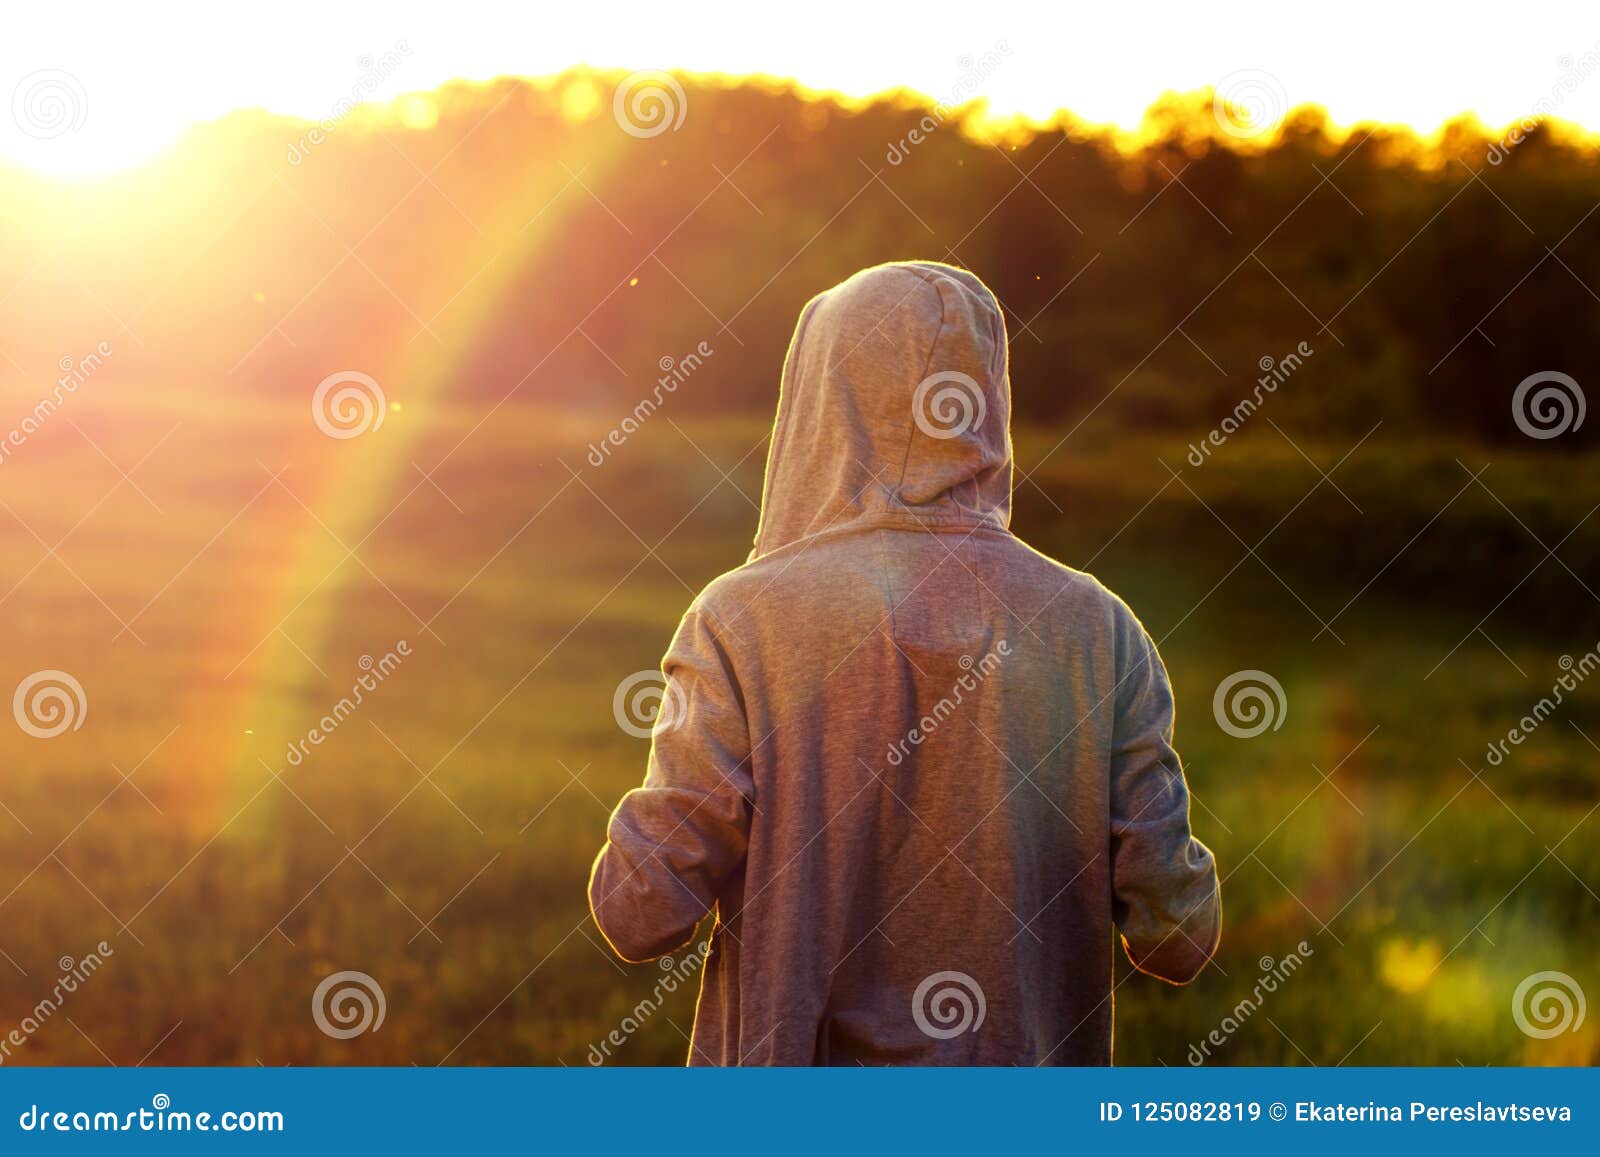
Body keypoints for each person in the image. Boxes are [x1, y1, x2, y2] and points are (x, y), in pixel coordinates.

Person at [588, 261, 1220, 1065]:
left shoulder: (740, 621)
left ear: (820, 398)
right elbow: (1179, 936)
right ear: (988, 398)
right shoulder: (1098, 629)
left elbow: (639, 913)